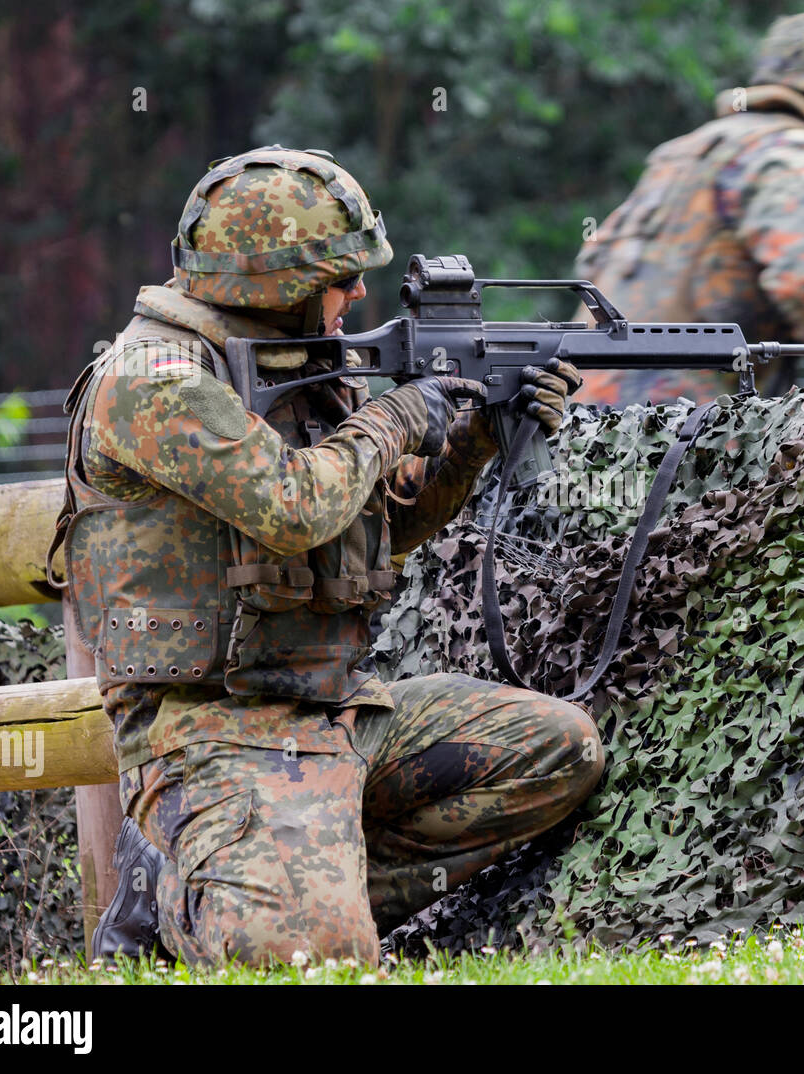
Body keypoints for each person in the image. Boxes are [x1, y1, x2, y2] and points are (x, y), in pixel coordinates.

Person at [53, 146, 601, 967]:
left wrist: (476, 437)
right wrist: (391, 421)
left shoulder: (299, 362)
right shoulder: (154, 376)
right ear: (275, 283)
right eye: (342, 277)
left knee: (561, 750)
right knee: (316, 963)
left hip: (336, 713)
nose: (359, 294)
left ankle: (287, 877)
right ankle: (196, 891)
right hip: (214, 729)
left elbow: (379, 527)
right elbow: (292, 507)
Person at [573, 10, 804, 404]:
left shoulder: (688, 149)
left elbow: (593, 261)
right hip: (676, 422)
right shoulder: (793, 152)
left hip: (580, 405)